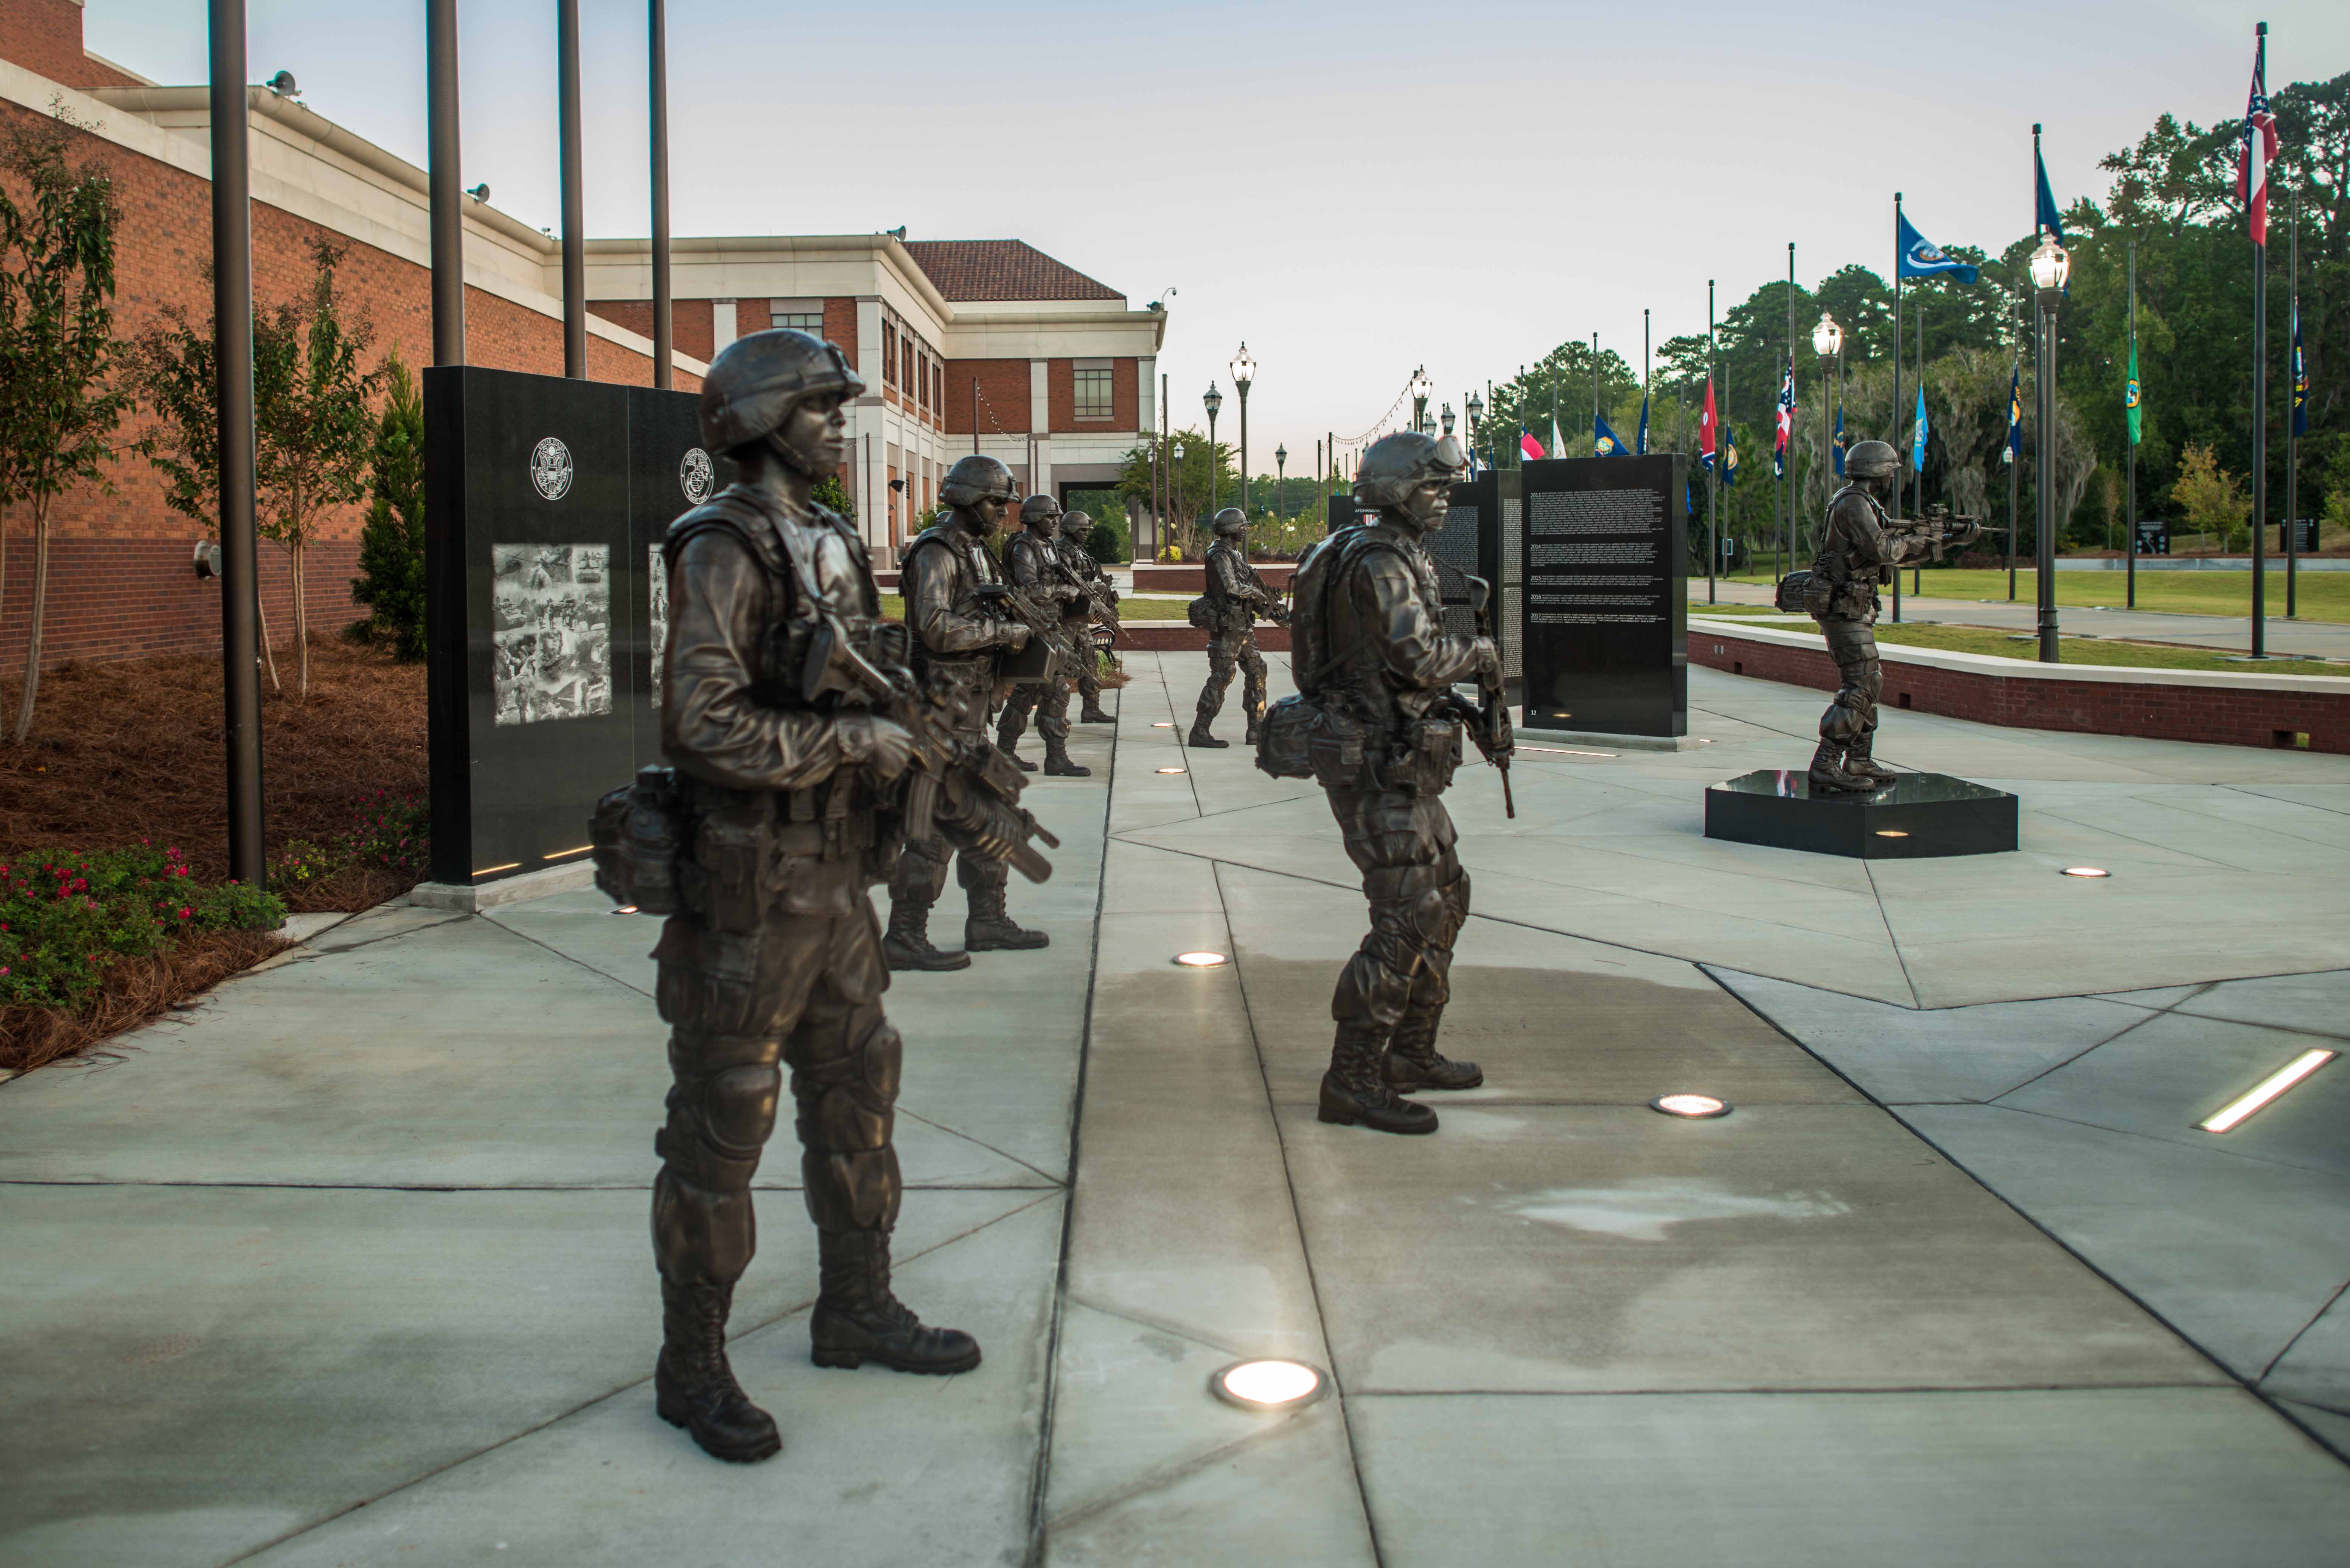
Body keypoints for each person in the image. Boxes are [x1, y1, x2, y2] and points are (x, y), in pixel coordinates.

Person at [650, 329, 980, 1464]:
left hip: (837, 877)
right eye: (820, 406)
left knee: (856, 1090)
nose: (840, 423)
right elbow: (698, 723)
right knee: (724, 1119)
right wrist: (850, 736)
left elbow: (874, 668)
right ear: (763, 418)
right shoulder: (725, 546)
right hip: (751, 884)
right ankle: (691, 1362)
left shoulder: (833, 538)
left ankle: (857, 1304)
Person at [1290, 433, 1495, 1135]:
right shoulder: (1378, 562)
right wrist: (1482, 653)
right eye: (1434, 487)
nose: (1444, 499)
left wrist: (1460, 706)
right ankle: (1351, 1079)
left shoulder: (1383, 551)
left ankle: (1409, 1051)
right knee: (1408, 914)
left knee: (1447, 894)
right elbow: (1416, 654)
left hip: (1400, 754)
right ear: (1397, 490)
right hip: (1375, 759)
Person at [883, 457, 1051, 969]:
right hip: (940, 712)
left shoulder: (980, 552)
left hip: (973, 709)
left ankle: (987, 920)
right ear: (966, 498)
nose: (1003, 512)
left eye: (1004, 503)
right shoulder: (937, 551)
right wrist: (1004, 634)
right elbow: (935, 627)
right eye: (995, 502)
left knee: (993, 818)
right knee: (934, 827)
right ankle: (905, 935)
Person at [1805, 439, 1977, 792]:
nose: (1892, 479)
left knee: (1870, 679)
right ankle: (1826, 762)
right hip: (1841, 607)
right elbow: (1884, 549)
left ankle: (1859, 758)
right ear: (1879, 472)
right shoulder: (1853, 504)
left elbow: (1896, 553)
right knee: (1862, 682)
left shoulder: (1865, 503)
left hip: (1854, 605)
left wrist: (1945, 541)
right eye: (1890, 472)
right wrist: (1919, 538)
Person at [995, 494, 1090, 777]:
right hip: (1035, 628)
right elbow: (1030, 591)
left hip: (1051, 625)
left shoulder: (1048, 546)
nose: (1055, 522)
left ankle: (1005, 752)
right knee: (1056, 692)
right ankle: (1055, 758)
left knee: (1029, 691)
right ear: (1035, 518)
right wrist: (1063, 591)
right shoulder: (1024, 548)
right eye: (1050, 517)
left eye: (1056, 517)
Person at [1188, 507, 1282, 748]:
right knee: (1222, 675)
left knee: (1257, 671)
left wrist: (1264, 594)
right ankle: (1200, 731)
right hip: (1228, 626)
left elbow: (1242, 581)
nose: (1245, 530)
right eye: (1243, 527)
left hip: (1242, 625)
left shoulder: (1232, 553)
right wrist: (1257, 593)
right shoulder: (1219, 554)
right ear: (1232, 529)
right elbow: (1230, 587)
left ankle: (1257, 730)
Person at [1057, 509, 1117, 725]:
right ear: (1071, 529)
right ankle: (1048, 711)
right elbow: (1068, 585)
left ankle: (1091, 709)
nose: (1087, 533)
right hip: (1065, 619)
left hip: (1080, 620)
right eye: (1083, 529)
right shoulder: (1060, 551)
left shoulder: (1080, 551)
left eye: (1087, 529)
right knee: (1059, 665)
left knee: (1090, 659)